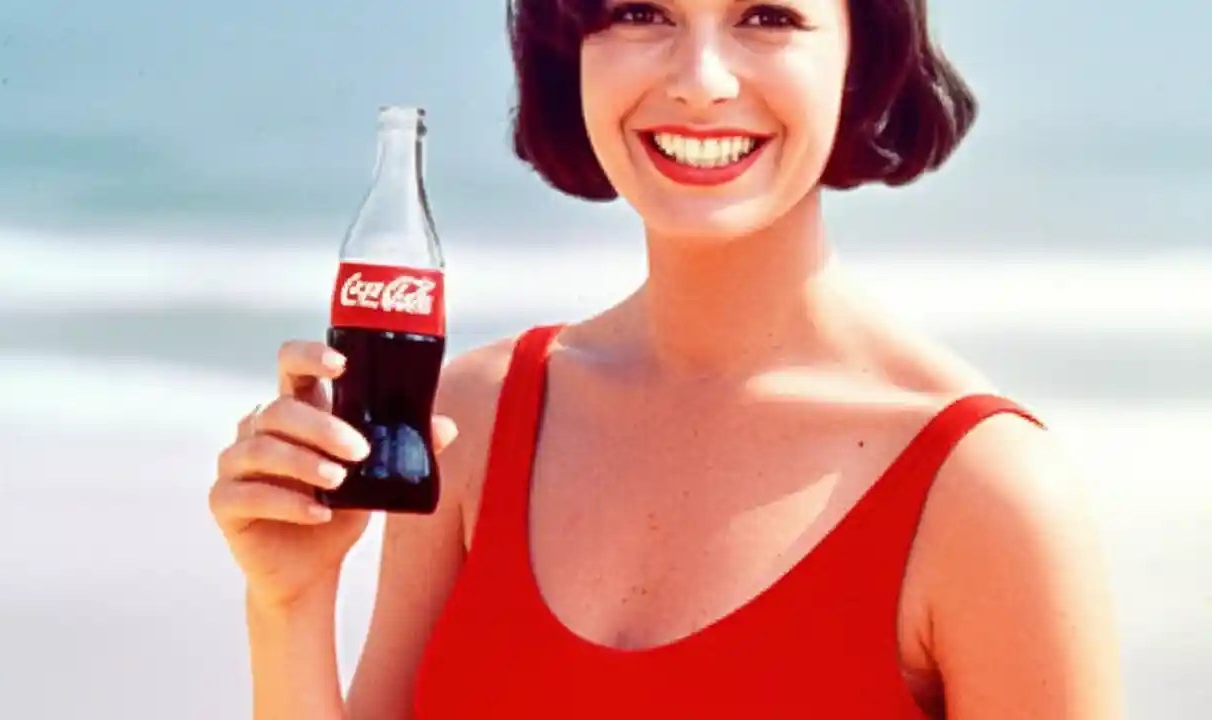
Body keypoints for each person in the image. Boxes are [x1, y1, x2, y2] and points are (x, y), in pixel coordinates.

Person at [209, 1, 1124, 717]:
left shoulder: (985, 493)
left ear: (861, 58)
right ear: (570, 48)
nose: (700, 82)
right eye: (639, 11)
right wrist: (290, 603)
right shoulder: (473, 421)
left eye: (767, 15)